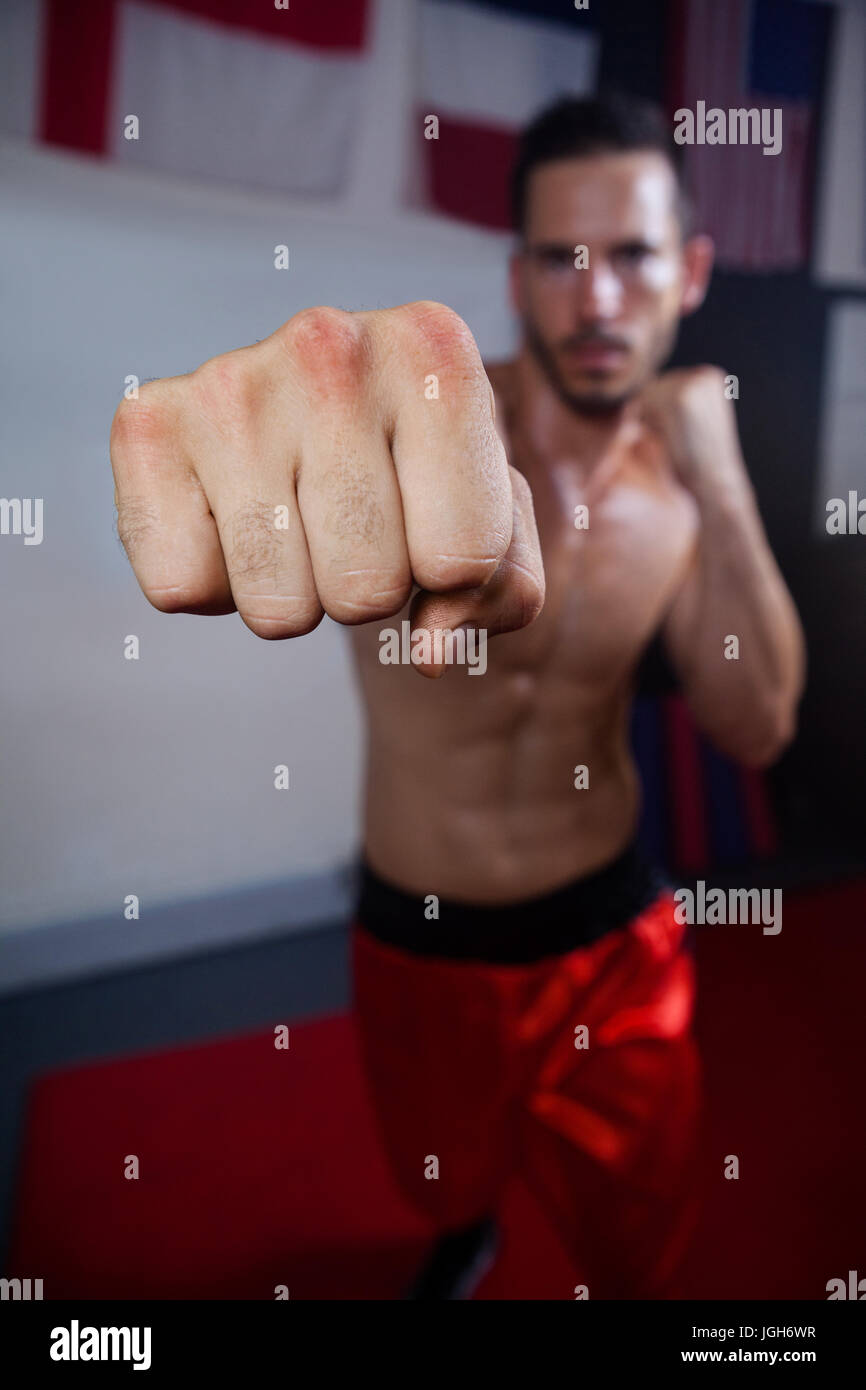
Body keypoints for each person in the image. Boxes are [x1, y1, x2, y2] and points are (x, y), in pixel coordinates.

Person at [110, 93, 806, 1299]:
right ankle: (464, 1231)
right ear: (518, 272)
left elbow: (756, 725)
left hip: (608, 936)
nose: (596, 300)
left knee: (637, 1223)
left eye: (633, 255)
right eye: (560, 257)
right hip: (417, 928)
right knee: (439, 1178)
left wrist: (721, 472)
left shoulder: (688, 497)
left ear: (690, 270)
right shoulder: (432, 440)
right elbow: (328, 414)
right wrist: (267, 421)